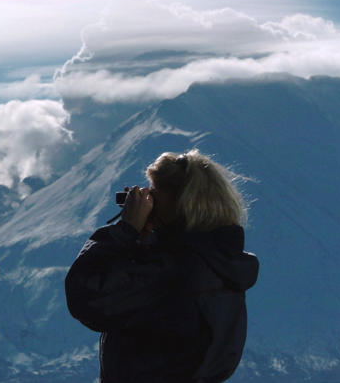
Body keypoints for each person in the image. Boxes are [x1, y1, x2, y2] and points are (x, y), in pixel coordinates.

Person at [65, 149, 259, 382]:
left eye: (154, 195)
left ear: (182, 203)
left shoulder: (177, 269)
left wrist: (125, 231)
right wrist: (144, 243)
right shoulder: (219, 262)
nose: (149, 203)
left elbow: (87, 298)